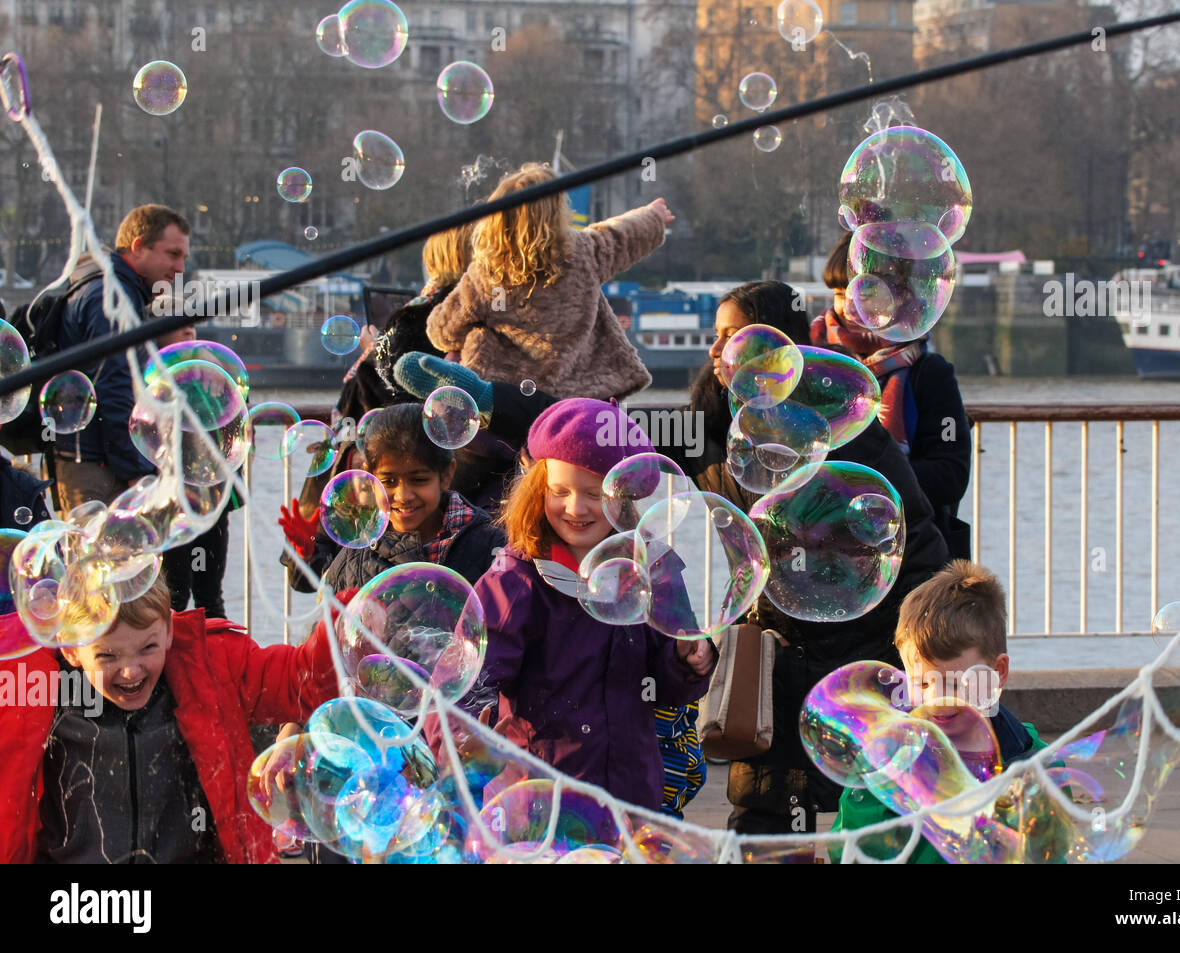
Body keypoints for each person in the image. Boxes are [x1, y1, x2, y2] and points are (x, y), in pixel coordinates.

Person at [396, 280, 951, 838]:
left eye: (733, 338)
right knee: (767, 812)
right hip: (553, 796)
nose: (717, 352)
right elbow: (603, 444)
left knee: (863, 807)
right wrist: (493, 401)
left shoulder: (847, 444)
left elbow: (915, 538)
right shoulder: (720, 441)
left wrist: (689, 665)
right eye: (716, 338)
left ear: (781, 356)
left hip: (850, 656)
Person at [461, 398, 717, 811]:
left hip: (630, 796)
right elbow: (464, 681)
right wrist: (468, 747)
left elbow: (666, 688)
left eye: (594, 494)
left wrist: (688, 661)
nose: (575, 508)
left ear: (627, 497)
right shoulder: (517, 579)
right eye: (558, 492)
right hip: (540, 802)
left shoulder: (653, 569)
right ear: (537, 491)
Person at [0, 573, 339, 863]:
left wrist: (348, 624)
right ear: (71, 648)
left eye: (147, 648)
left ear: (168, 630)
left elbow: (301, 681)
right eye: (106, 655)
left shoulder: (209, 664)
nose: (130, 670)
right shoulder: (32, 687)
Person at [829, 560, 1047, 863]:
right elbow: (852, 848)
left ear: (997, 673)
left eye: (955, 683)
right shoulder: (888, 760)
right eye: (922, 682)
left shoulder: (1033, 761)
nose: (938, 699)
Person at [425, 162, 666, 401]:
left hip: (510, 398)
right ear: (557, 213)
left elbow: (442, 331)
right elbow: (621, 235)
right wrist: (653, 216)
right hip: (584, 396)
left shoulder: (487, 274)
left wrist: (477, 335)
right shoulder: (584, 252)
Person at [813, 232, 972, 559]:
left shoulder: (929, 374)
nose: (850, 305)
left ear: (899, 294)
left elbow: (951, 474)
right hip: (828, 555)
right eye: (840, 293)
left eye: (865, 291)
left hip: (909, 550)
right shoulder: (813, 365)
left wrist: (863, 484)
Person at [278, 402, 503, 593]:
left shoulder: (491, 547)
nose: (403, 496)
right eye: (389, 481)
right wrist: (307, 552)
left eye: (419, 480)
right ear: (370, 477)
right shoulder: (353, 558)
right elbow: (331, 633)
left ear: (446, 475)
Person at [52, 205, 190, 513]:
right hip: (98, 467)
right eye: (172, 254)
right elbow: (115, 387)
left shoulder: (107, 286)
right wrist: (137, 473)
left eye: (183, 258)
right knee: (113, 559)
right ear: (139, 246)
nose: (180, 268)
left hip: (91, 458)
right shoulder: (112, 296)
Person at [145, 294, 234, 619]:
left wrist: (213, 367)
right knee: (174, 593)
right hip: (172, 499)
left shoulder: (208, 372)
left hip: (211, 493)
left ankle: (220, 663)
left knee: (211, 594)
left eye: (192, 324)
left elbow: (236, 409)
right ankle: (174, 666)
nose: (189, 330)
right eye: (178, 323)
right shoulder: (155, 380)